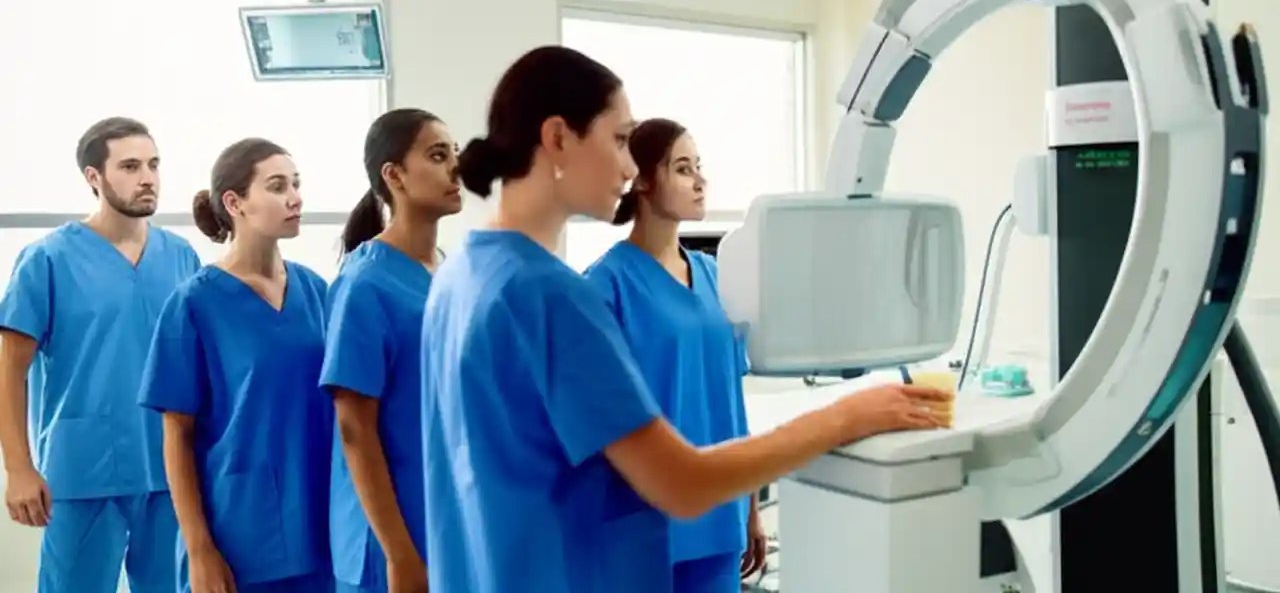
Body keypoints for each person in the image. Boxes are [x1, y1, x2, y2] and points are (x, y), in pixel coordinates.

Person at [420, 45, 953, 593]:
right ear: (558, 137)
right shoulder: (553, 295)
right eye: (621, 139)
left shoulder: (458, 277)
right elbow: (680, 483)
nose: (629, 167)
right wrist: (849, 416)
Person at [0, 117, 201, 593]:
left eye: (153, 164)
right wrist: (19, 469)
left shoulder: (181, 257)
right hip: (82, 470)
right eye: (130, 166)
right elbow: (10, 371)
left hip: (169, 471)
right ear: (95, 177)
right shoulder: (47, 259)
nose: (147, 177)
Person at [137, 138, 334, 593]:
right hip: (239, 538)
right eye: (277, 185)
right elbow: (176, 435)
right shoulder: (194, 303)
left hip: (321, 532)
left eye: (297, 184)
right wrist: (200, 548)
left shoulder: (317, 291)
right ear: (235, 202)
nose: (295, 197)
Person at [584, 118, 762, 592]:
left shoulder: (716, 277)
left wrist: (750, 508)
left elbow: (731, 399)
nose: (700, 181)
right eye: (683, 168)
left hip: (718, 519)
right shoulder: (605, 287)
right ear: (641, 178)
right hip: (638, 528)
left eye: (699, 167)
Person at [321, 108, 463, 593]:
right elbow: (354, 427)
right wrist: (398, 554)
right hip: (388, 539)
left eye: (456, 155)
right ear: (395, 175)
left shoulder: (449, 273)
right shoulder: (365, 284)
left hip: (444, 518)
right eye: (439, 155)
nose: (455, 169)